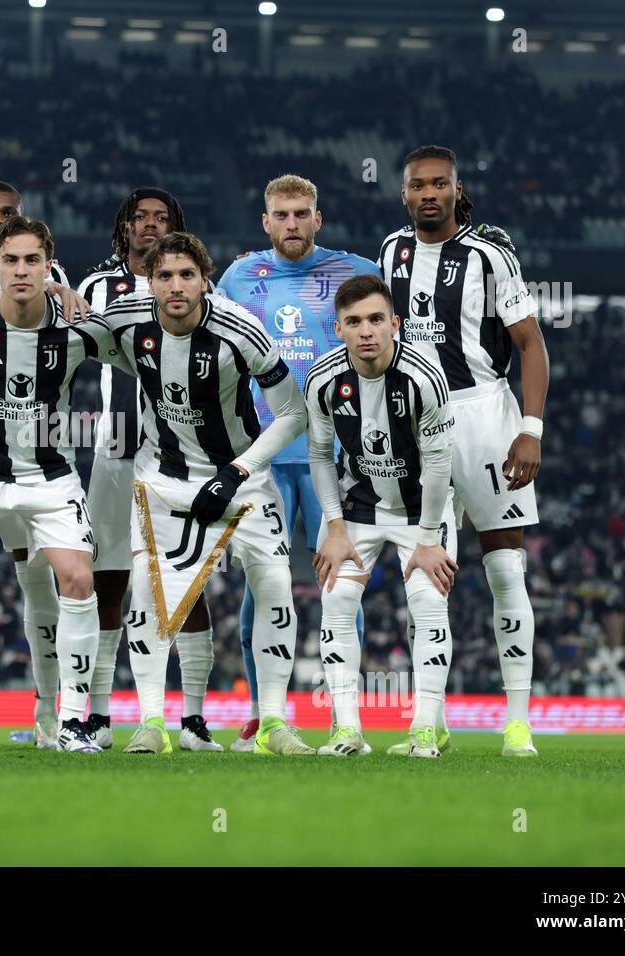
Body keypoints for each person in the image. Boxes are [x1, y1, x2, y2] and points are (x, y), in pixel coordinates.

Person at [100, 232, 312, 756]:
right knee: (151, 592)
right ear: (149, 281)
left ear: (205, 279)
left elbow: (293, 414)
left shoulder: (243, 330)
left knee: (276, 586)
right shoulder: (125, 322)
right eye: (165, 276)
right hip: (165, 478)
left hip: (241, 477)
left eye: (186, 275)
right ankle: (151, 722)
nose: (176, 286)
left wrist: (238, 471)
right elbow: (63, 337)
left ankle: (273, 724)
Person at [379, 145, 548, 757]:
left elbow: (530, 344)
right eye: (418, 185)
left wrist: (530, 428)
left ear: (456, 190)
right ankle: (429, 722)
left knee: (504, 569)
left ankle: (518, 722)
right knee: (424, 572)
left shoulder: (490, 254)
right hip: (416, 417)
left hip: (483, 414)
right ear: (404, 194)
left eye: (439, 184)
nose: (428, 193)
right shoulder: (390, 251)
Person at [0, 217, 116, 754]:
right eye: (11, 260)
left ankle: (73, 721)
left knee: (79, 582)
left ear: (49, 265)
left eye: (33, 260)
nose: (21, 269)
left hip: (51, 474)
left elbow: (134, 347)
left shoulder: (80, 328)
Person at [216, 173, 380, 752]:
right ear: (266, 222)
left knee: (345, 590)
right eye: (281, 215)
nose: (292, 224)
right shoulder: (238, 276)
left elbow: (385, 345)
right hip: (262, 456)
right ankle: (266, 718)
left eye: (301, 213)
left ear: (319, 217)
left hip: (337, 456)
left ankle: (345, 719)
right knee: (261, 588)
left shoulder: (356, 274)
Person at [78, 187, 219, 752]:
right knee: (107, 579)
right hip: (114, 451)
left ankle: (191, 719)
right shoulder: (96, 286)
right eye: (141, 218)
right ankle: (101, 715)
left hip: (178, 456)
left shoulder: (190, 285)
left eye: (163, 219)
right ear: (125, 226)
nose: (151, 227)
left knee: (184, 583)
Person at [305, 274, 457, 758]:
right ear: (339, 329)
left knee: (428, 603)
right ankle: (347, 732)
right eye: (353, 322)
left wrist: (430, 538)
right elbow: (319, 455)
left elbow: (438, 462)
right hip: (358, 509)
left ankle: (425, 732)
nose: (366, 331)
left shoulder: (423, 378)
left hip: (421, 513)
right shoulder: (323, 381)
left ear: (394, 323)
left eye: (375, 319)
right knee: (335, 602)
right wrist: (332, 528)